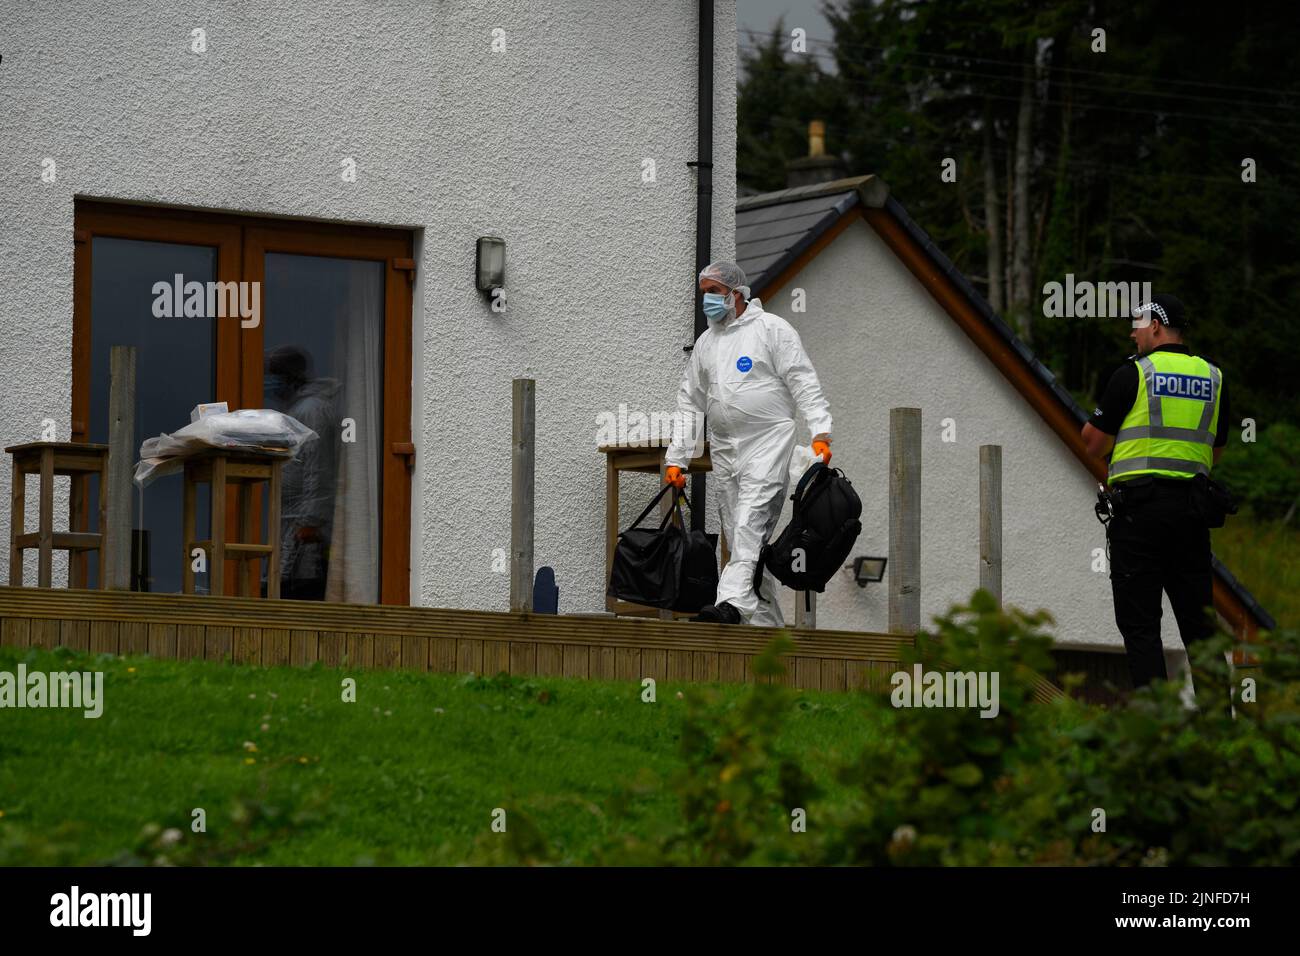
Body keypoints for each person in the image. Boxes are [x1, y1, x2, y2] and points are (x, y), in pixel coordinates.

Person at [663, 260, 832, 625]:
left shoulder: (771, 330)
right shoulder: (707, 343)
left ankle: (730, 604)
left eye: (714, 293)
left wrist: (820, 432)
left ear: (736, 294)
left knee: (749, 521)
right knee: (737, 529)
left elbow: (803, 380)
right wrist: (677, 459)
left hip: (768, 441)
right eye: (704, 293)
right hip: (725, 448)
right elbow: (689, 401)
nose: (707, 300)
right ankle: (766, 623)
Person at [1080, 293, 1231, 687]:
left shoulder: (1133, 374)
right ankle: (1220, 728)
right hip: (1193, 517)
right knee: (1200, 628)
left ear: (1157, 328)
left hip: (1139, 515)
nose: (1133, 335)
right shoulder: (1213, 376)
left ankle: (1156, 730)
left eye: (1137, 326)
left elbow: (1092, 443)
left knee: (1142, 627)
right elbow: (1216, 448)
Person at [264, 345, 340, 600]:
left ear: (290, 376)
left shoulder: (312, 409)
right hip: (292, 523)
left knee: (300, 592)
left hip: (305, 531)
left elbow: (319, 468)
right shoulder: (297, 409)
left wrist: (310, 522)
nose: (269, 382)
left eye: (273, 374)